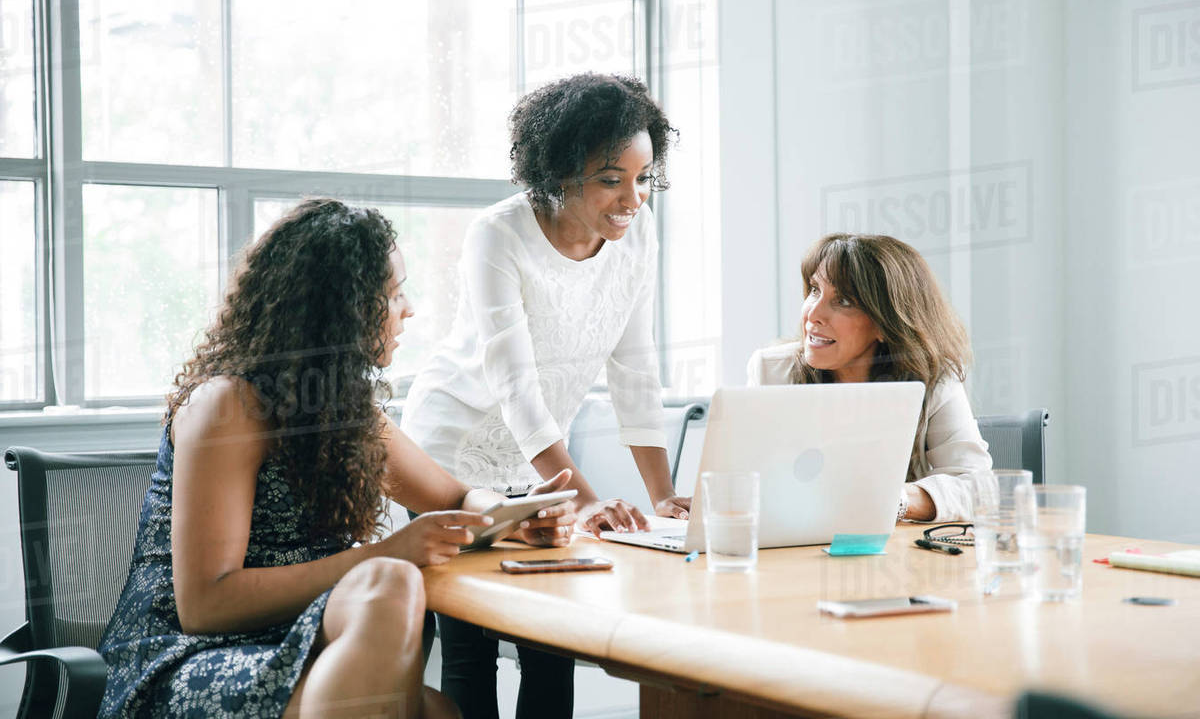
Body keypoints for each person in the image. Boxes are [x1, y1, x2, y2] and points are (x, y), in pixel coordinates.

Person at [97, 199, 575, 719]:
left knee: (397, 605)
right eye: (393, 295)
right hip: (185, 657)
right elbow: (206, 606)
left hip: (299, 634)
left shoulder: (344, 410)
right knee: (403, 630)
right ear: (341, 311)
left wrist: (512, 520)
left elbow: (455, 495)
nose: (408, 308)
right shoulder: (227, 405)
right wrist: (389, 552)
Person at [400, 73, 684, 719]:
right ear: (561, 169)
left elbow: (635, 368)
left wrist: (662, 495)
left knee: (552, 635)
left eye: (644, 179)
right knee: (472, 647)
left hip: (538, 467)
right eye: (612, 179)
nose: (632, 199)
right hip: (452, 455)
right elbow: (514, 386)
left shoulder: (635, 235)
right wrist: (583, 502)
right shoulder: (498, 235)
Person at [746, 233, 991, 523]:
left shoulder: (933, 379)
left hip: (899, 559)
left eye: (844, 300)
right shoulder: (772, 371)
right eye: (814, 289)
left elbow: (978, 488)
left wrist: (892, 500)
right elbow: (744, 482)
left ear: (886, 323)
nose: (813, 313)